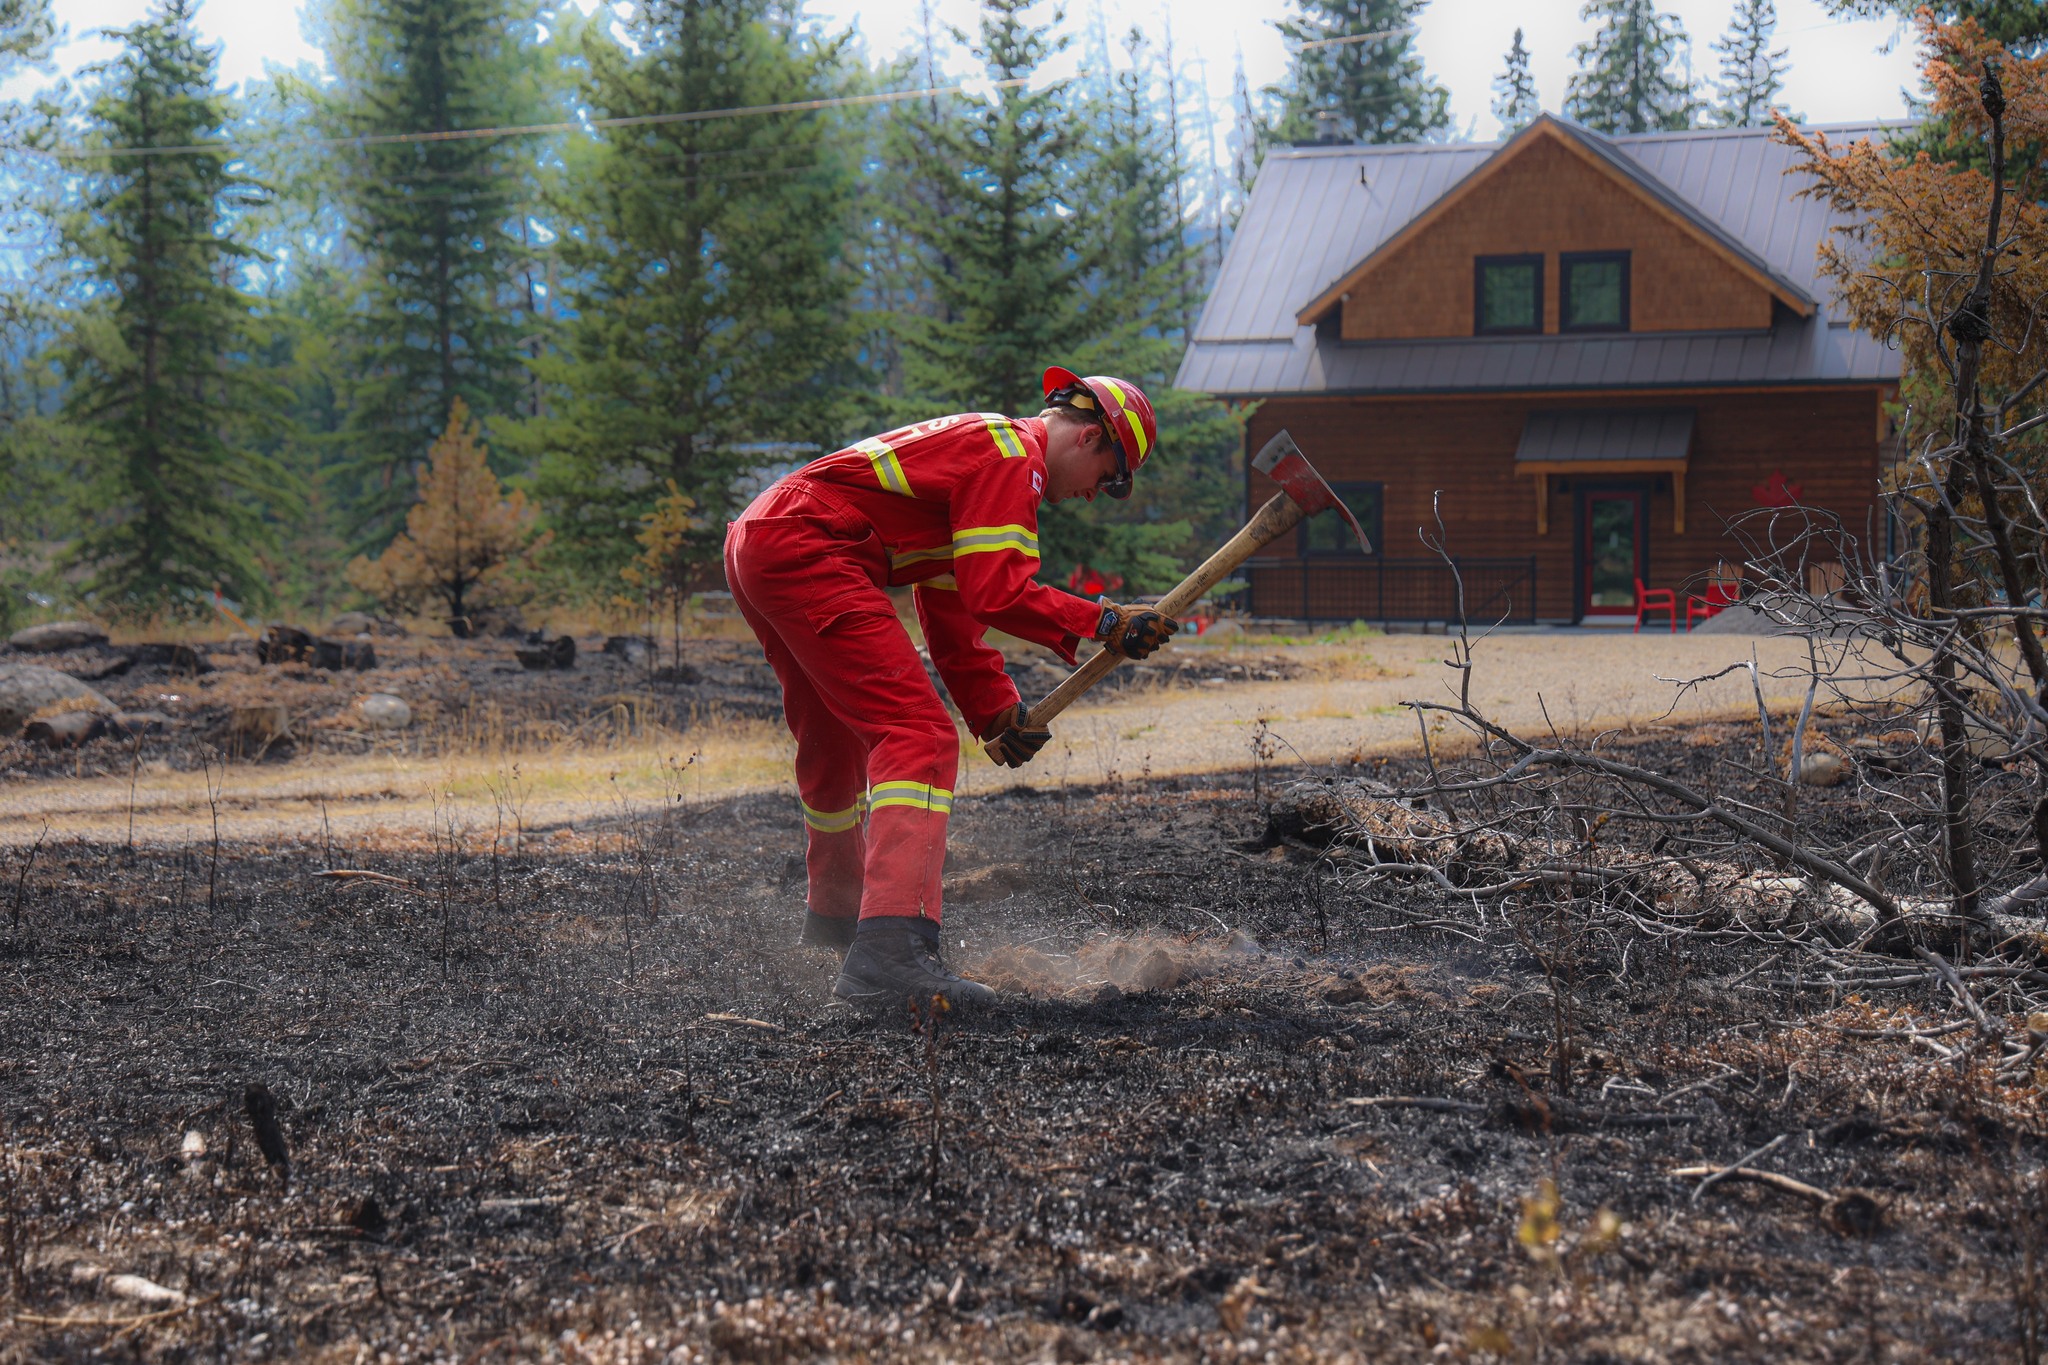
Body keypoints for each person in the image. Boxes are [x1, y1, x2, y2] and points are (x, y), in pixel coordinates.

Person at [723, 367, 1177, 1007]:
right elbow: (1001, 592)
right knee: (918, 737)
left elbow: (954, 612)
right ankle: (890, 953)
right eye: (1111, 480)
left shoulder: (986, 453)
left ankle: (836, 925)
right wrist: (1103, 620)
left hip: (763, 538)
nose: (1094, 495)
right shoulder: (1014, 460)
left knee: (833, 740)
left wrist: (994, 712)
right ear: (1090, 440)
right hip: (807, 544)